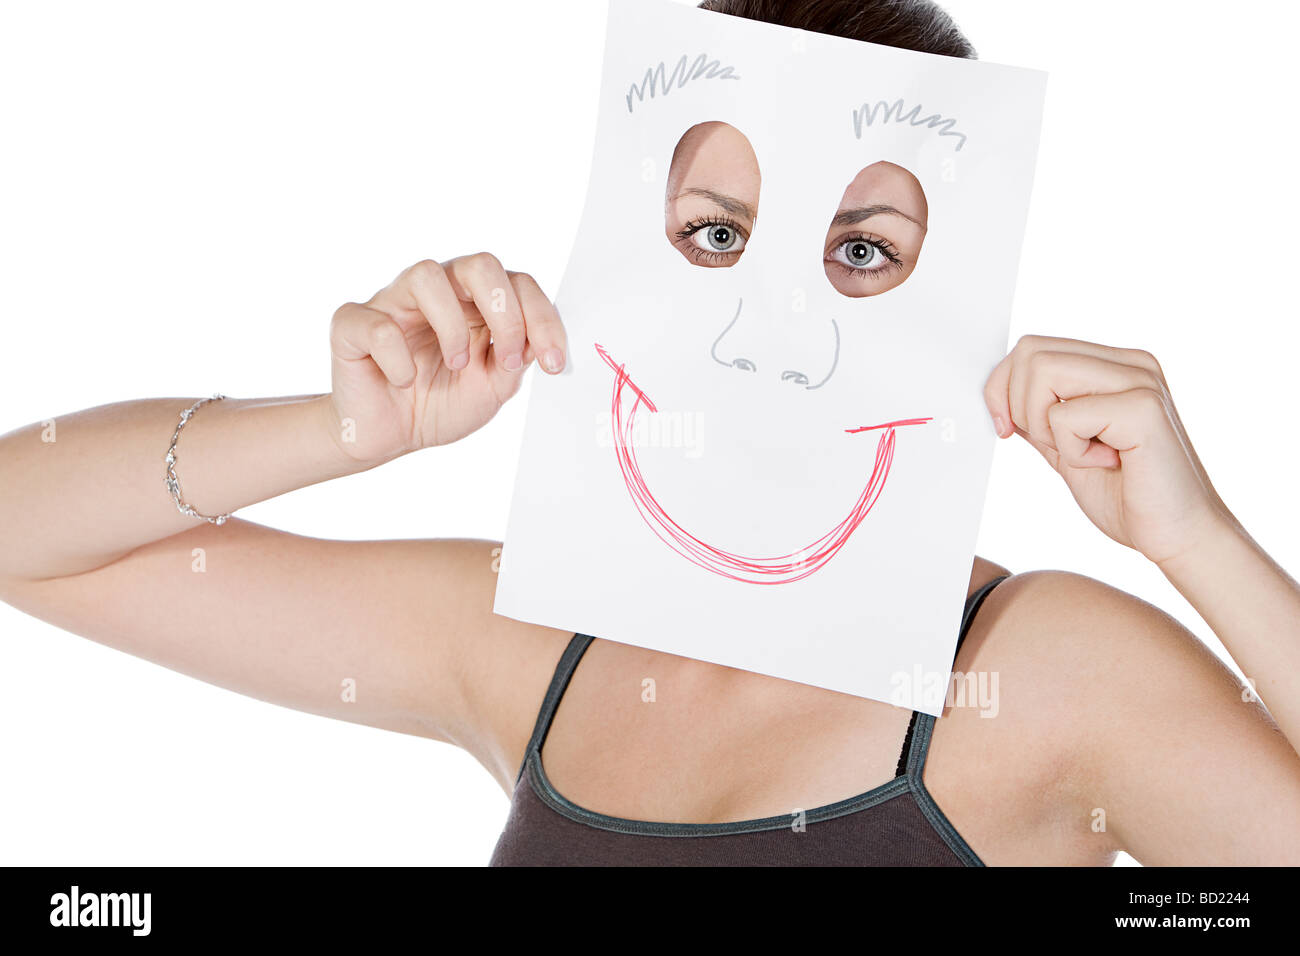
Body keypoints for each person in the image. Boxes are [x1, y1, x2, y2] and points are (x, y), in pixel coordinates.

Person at [1, 0, 1298, 865]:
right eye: (717, 234)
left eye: (863, 249)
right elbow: (26, 536)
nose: (771, 328)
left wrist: (1200, 540)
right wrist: (340, 432)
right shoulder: (533, 643)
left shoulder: (1041, 672)